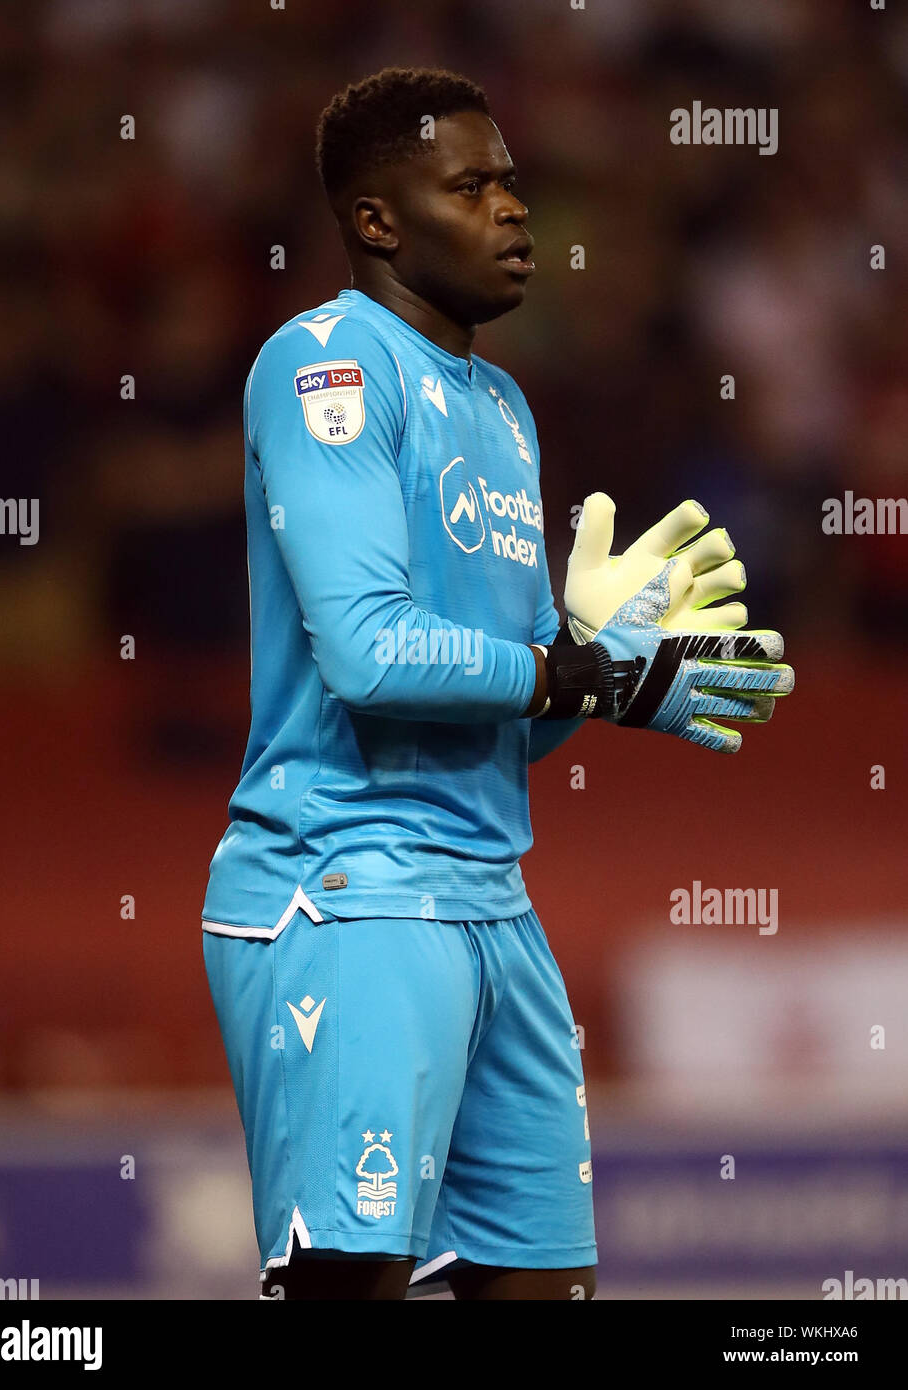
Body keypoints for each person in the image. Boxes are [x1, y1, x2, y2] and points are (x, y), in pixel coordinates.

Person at [201, 66, 792, 1301]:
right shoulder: (326, 369)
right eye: (470, 185)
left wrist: (606, 661)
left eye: (513, 181)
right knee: (348, 1288)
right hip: (349, 889)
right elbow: (367, 655)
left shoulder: (504, 408)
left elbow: (503, 730)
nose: (514, 209)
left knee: (549, 1288)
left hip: (491, 902)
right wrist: (585, 670)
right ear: (376, 222)